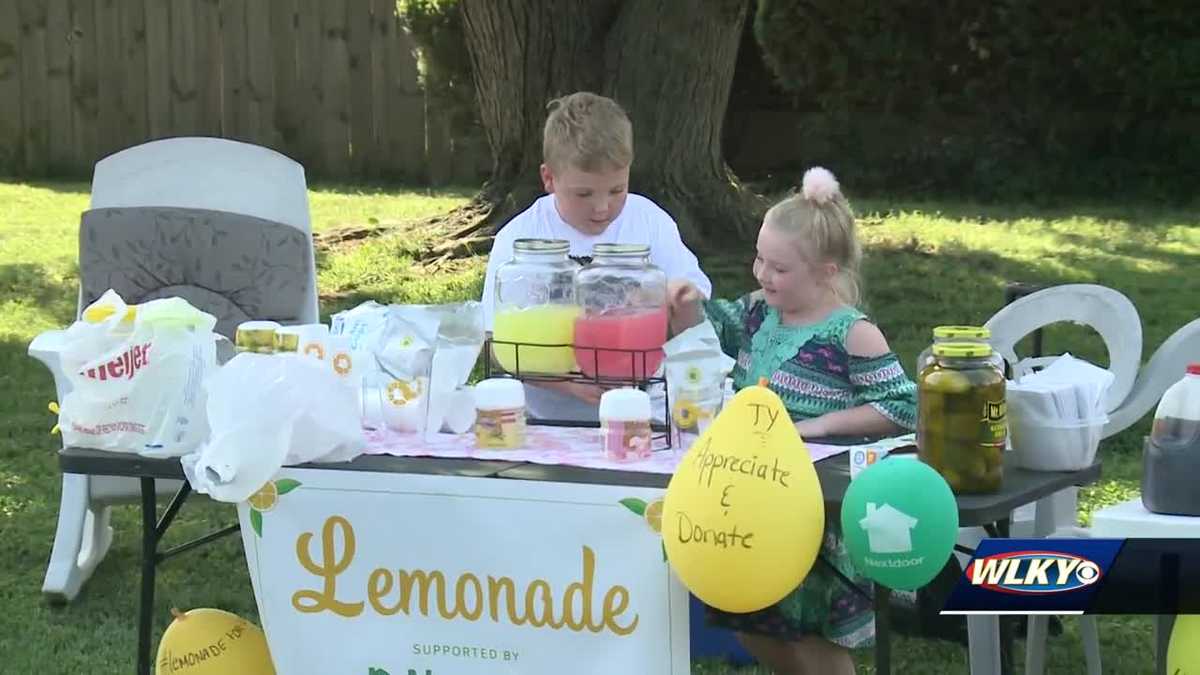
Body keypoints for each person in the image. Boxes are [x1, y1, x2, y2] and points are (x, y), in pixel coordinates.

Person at [667, 167, 917, 674]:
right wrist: (687, 305)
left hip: (811, 506)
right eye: (760, 258)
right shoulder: (761, 313)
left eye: (779, 268)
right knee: (750, 614)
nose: (762, 274)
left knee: (804, 627)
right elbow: (712, 325)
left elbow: (901, 408)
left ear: (826, 271)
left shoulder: (851, 333)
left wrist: (819, 426)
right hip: (751, 498)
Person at [479, 91, 712, 421]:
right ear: (549, 178)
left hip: (643, 415)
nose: (602, 207)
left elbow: (694, 304)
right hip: (544, 421)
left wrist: (673, 297)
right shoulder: (519, 240)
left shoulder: (650, 223)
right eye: (584, 193)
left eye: (617, 190)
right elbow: (497, 344)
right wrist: (567, 384)